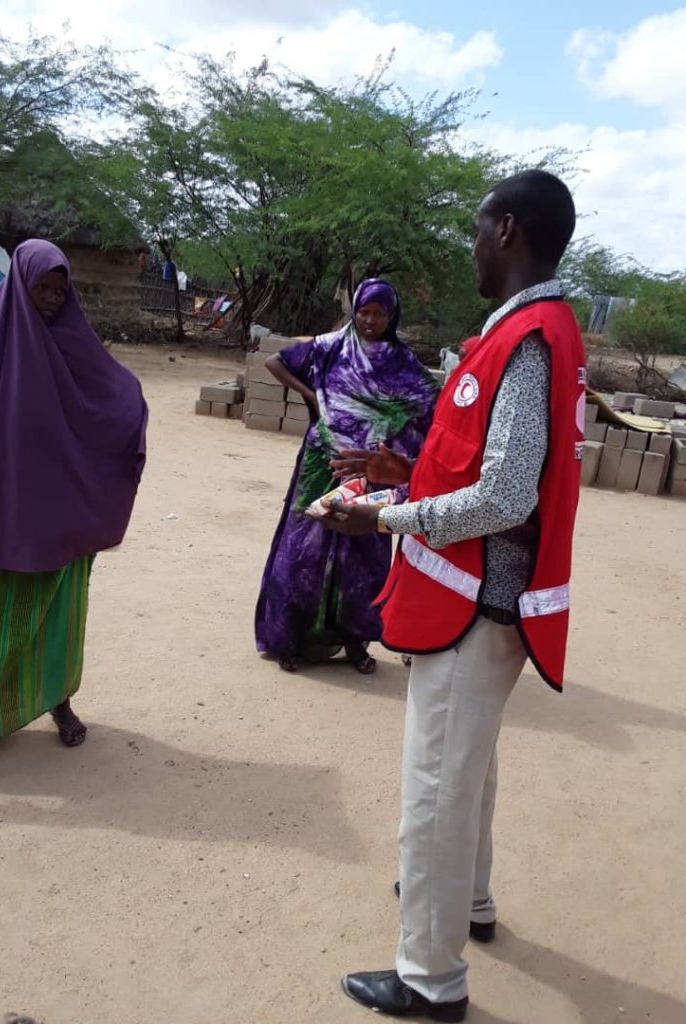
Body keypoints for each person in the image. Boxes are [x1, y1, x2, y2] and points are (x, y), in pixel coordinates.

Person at [323, 171, 586, 1020]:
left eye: (477, 230)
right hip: (490, 601)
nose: (470, 246)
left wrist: (388, 517)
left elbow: (508, 496)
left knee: (436, 784)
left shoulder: (530, 340)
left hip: (476, 604)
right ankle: (468, 901)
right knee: (470, 766)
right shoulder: (531, 332)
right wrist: (407, 471)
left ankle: (430, 980)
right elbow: (494, 467)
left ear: (506, 230)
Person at [0, 240, 147, 752]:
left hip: (60, 512)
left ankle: (58, 701)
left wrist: (130, 414)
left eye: (57, 289)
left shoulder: (74, 344)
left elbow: (114, 395)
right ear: (19, 284)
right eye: (39, 286)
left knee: (56, 615)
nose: (48, 297)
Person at [255, 279, 437, 675]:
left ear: (392, 317)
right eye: (363, 311)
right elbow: (275, 363)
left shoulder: (402, 362)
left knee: (365, 555)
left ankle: (355, 641)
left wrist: (397, 442)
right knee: (306, 547)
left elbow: (431, 407)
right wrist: (315, 397)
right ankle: (291, 639)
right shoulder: (330, 345)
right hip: (323, 461)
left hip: (373, 469)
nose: (370, 320)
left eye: (379, 313)